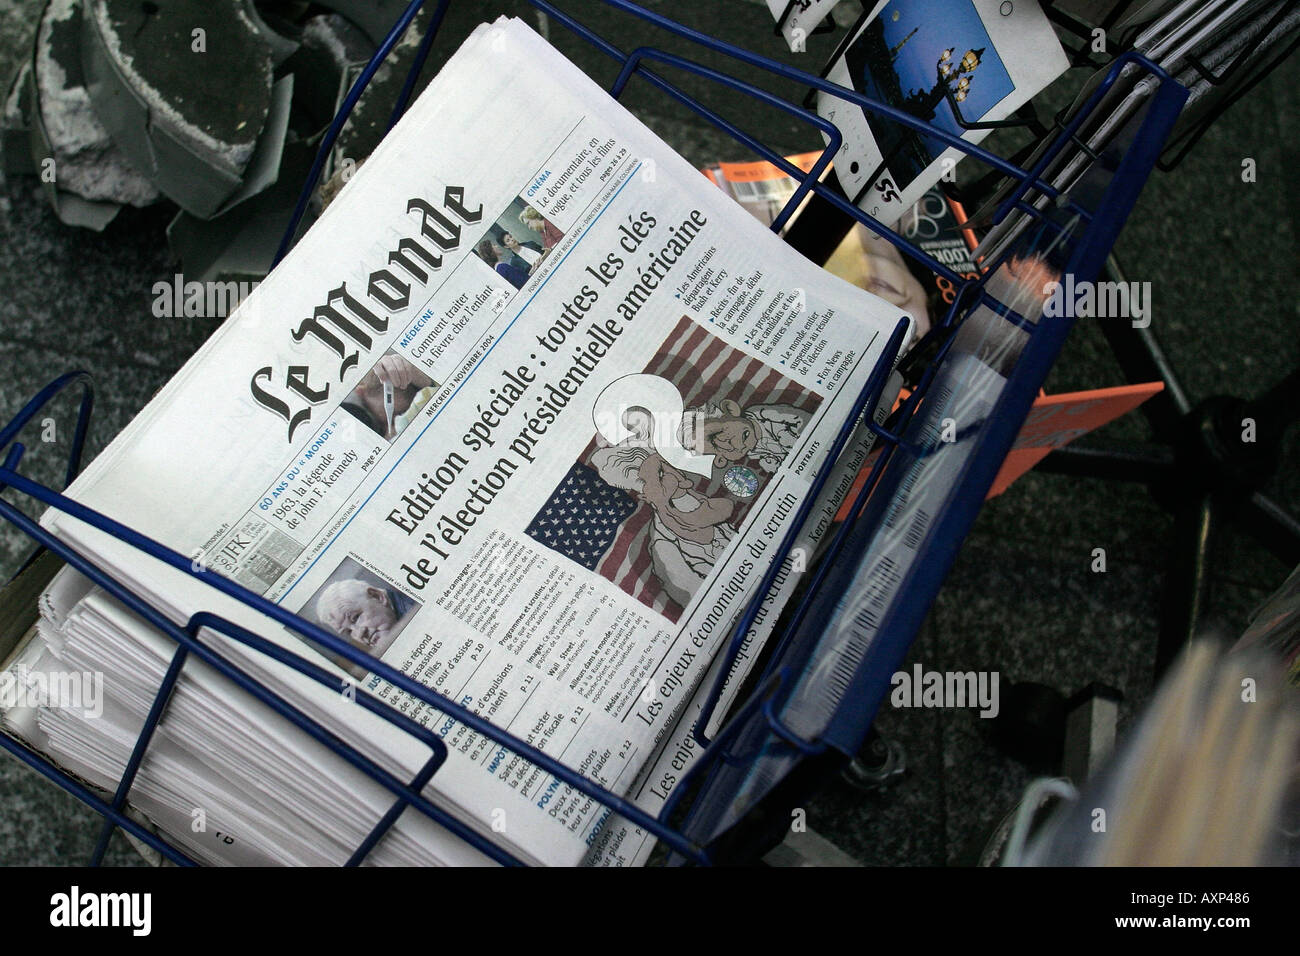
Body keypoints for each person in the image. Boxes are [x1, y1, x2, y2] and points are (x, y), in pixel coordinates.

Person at [591, 443, 735, 608]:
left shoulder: (712, 503)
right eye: (659, 476)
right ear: (645, 496)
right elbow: (696, 600)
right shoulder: (664, 546)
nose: (672, 473)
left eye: (664, 465)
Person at [679, 399, 810, 472]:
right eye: (716, 450)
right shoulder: (753, 452)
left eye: (716, 433)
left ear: (731, 410)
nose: (724, 443)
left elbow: (803, 419)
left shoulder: (764, 414)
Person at [340, 353, 435, 441]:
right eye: (392, 413)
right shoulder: (349, 412)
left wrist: (427, 382)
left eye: (403, 414)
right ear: (361, 391)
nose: (397, 421)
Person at [315, 577, 416, 655]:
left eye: (356, 618)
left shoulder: (414, 600)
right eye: (349, 632)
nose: (360, 634)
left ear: (378, 596)